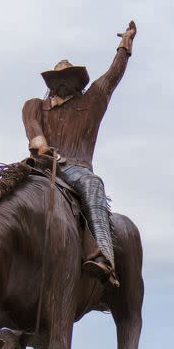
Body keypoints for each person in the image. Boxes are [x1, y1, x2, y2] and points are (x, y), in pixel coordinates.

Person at [22, 20, 137, 287]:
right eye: (57, 80)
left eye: (68, 79)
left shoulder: (91, 102)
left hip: (76, 167)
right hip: (39, 164)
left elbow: (112, 76)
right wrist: (40, 146)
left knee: (92, 185)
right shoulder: (35, 105)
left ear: (78, 82)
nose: (62, 84)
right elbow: (34, 131)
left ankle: (103, 256)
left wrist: (125, 45)